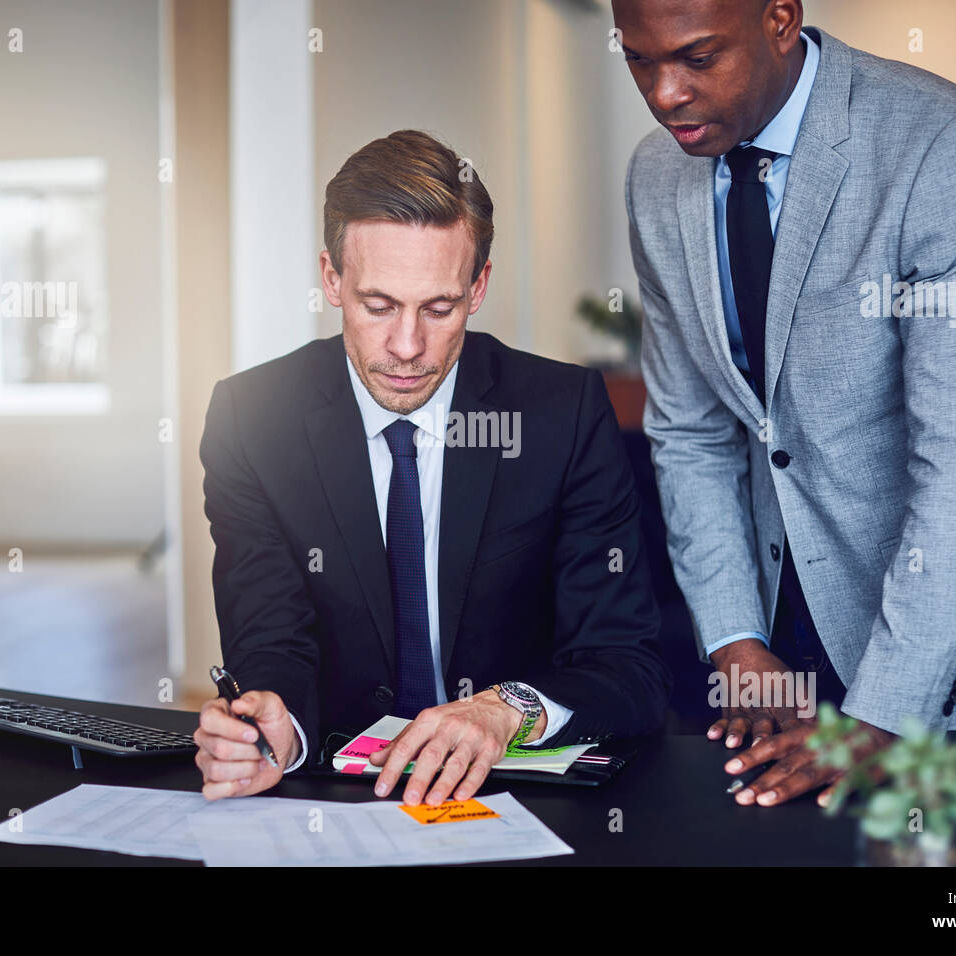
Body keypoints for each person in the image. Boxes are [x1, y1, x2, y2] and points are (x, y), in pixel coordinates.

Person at [614, 0, 956, 807]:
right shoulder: (656, 175)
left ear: (780, 18)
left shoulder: (947, 151)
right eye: (638, 58)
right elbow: (690, 431)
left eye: (698, 58)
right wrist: (735, 639)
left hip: (951, 658)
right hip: (777, 642)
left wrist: (886, 713)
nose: (664, 92)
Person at [195, 129, 670, 806]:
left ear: (478, 287)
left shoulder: (562, 414)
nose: (407, 347)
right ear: (331, 278)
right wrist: (277, 729)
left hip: (520, 798)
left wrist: (507, 710)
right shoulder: (251, 417)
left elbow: (628, 664)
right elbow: (269, 636)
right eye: (378, 306)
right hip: (338, 796)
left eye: (439, 308)